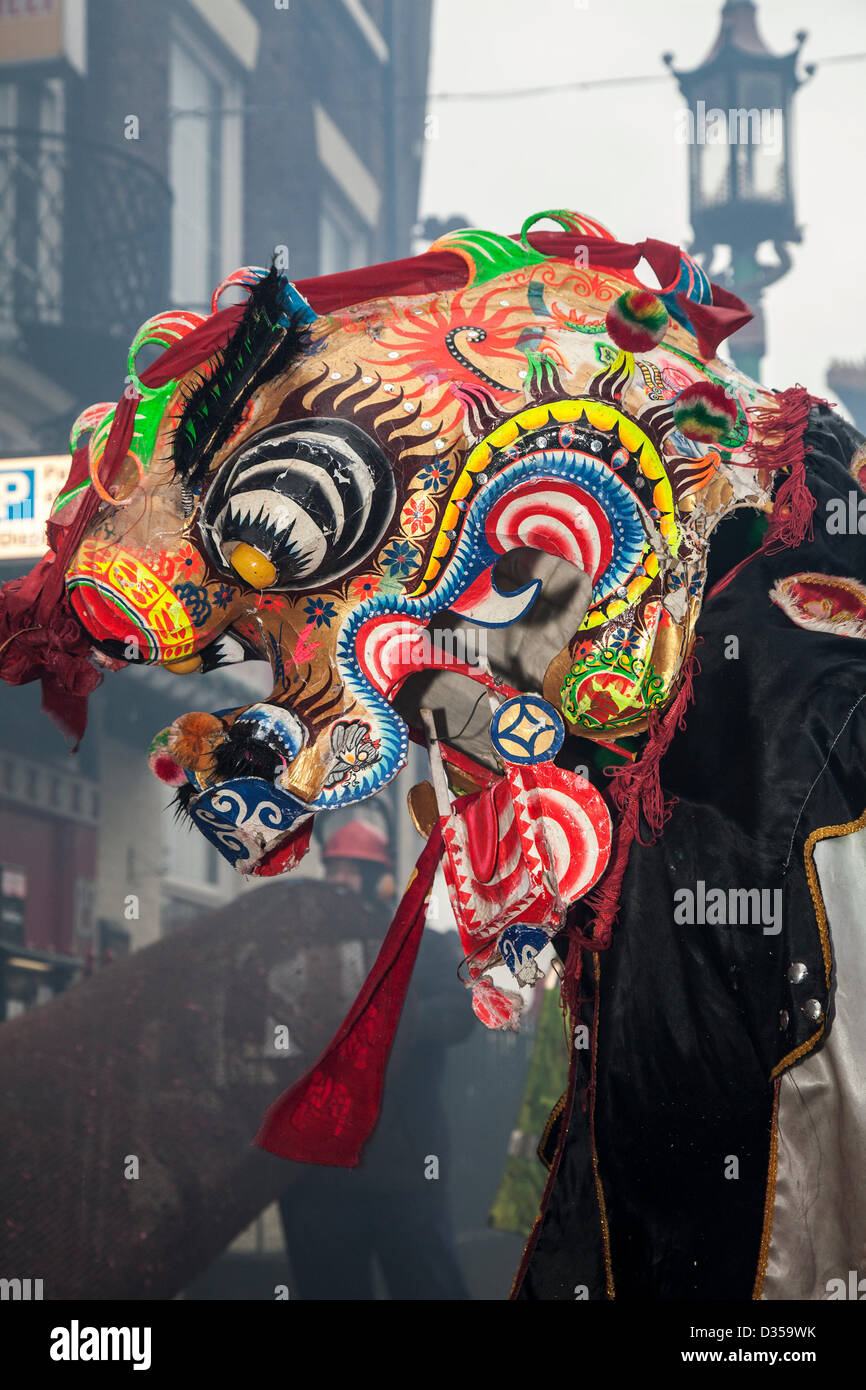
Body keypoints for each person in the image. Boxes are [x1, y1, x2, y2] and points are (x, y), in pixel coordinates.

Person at [279, 819, 473, 1300]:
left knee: (428, 1284)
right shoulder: (303, 953)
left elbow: (460, 1011)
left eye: (353, 871)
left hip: (404, 1169)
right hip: (322, 1178)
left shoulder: (421, 944)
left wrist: (399, 1024)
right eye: (335, 871)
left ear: (381, 880)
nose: (340, 882)